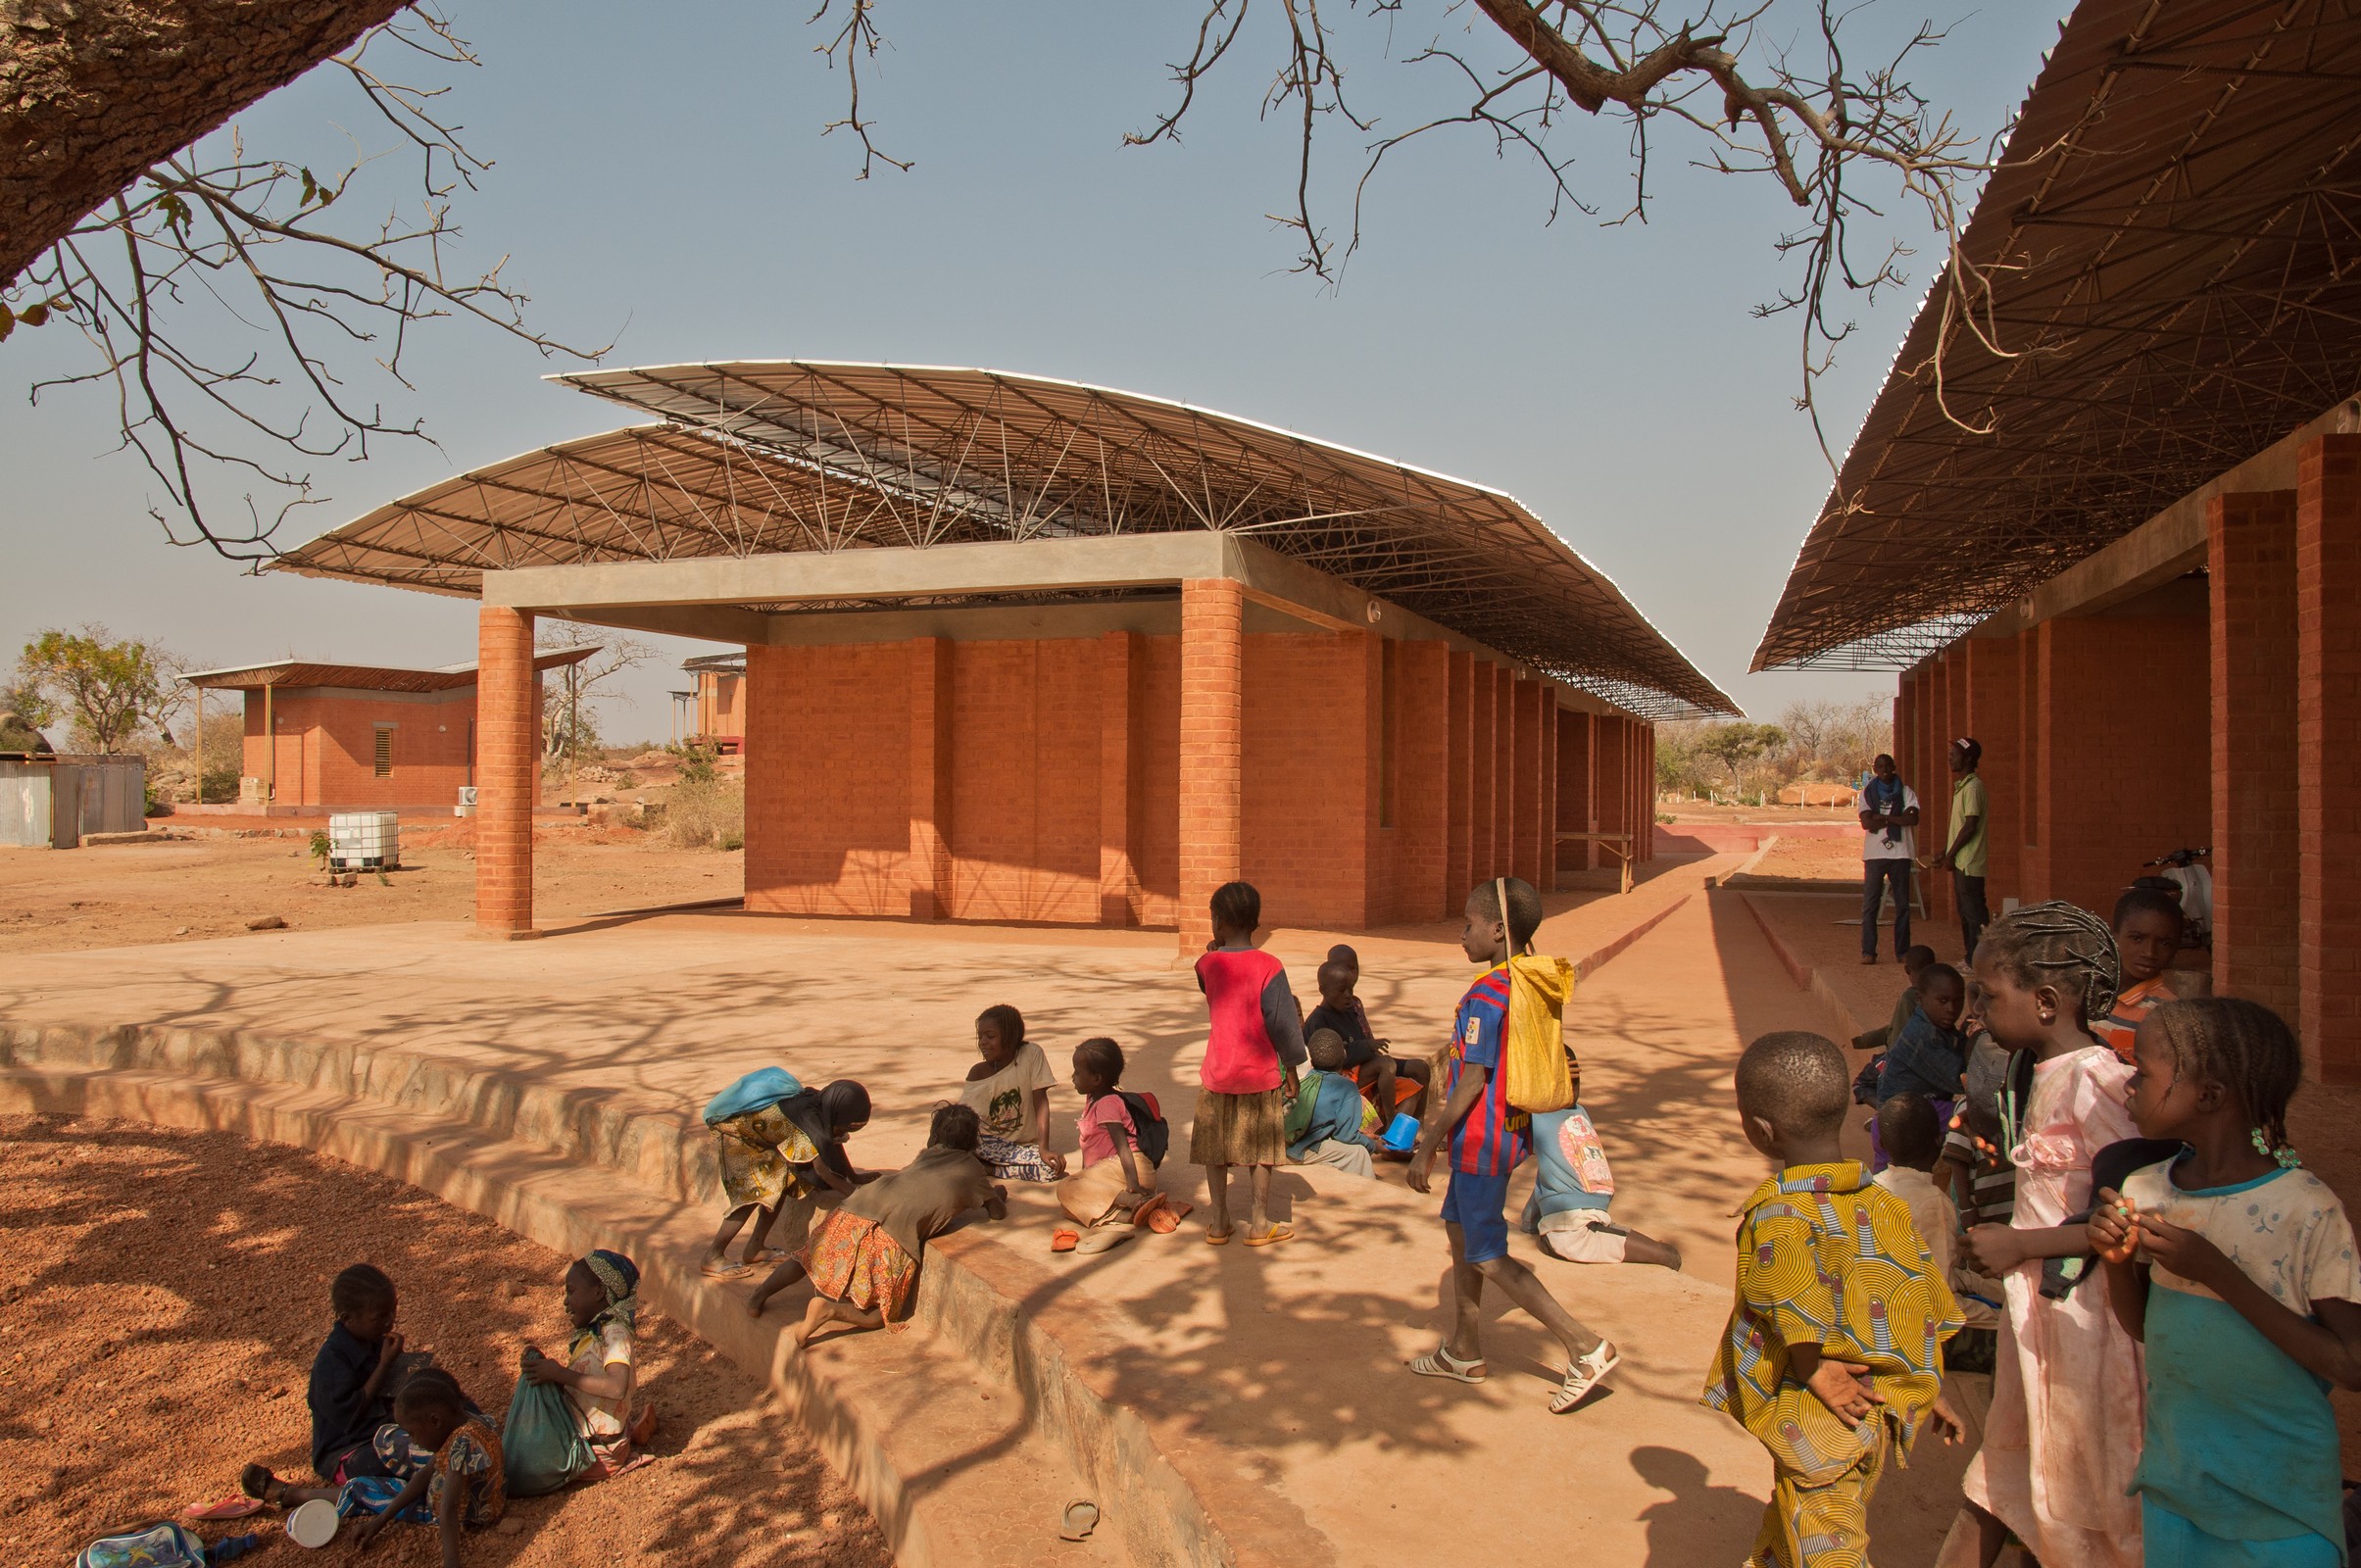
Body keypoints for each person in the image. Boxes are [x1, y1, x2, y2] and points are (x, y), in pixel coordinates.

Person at [2090, 999, 2361, 1568]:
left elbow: (2350, 1365)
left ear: (2209, 1096)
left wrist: (2218, 1273)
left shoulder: (2306, 1210)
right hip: (2178, 1491)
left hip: (2281, 1505)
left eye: (2144, 1072)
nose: (2128, 1087)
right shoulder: (2145, 1188)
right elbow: (2145, 1328)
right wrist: (2116, 1261)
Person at [1703, 1032, 1963, 1568]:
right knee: (1799, 1519)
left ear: (1761, 1131)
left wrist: (1815, 1367)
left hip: (1823, 1417)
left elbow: (1792, 1300)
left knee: (1829, 1543)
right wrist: (1924, 1380)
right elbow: (1914, 1297)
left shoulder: (1779, 1217)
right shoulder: (1883, 1205)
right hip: (1873, 1408)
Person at [1946, 902, 2143, 1568]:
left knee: (2080, 1478)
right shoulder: (2035, 1072)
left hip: (2088, 1325)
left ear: (2046, 1001)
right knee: (2013, 1462)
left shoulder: (2097, 1083)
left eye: (1988, 995)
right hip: (2037, 1320)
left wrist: (2022, 1245)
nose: (1974, 1011)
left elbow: (2133, 1215)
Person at [1406, 876, 1620, 1413]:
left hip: (1479, 1137)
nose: (1461, 935)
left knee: (1487, 1253)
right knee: (1460, 1231)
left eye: (1469, 924)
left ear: (1499, 930)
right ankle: (1464, 1349)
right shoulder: (1529, 981)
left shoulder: (1486, 994)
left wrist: (1428, 1141)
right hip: (1510, 1130)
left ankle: (1584, 1345)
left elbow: (1473, 1080)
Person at [748, 1102, 1008, 1339]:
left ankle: (759, 1294)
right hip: (893, 1236)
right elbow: (996, 1213)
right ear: (973, 1140)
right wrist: (996, 1195)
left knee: (805, 1259)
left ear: (935, 1137)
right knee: (884, 1312)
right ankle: (829, 1311)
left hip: (852, 1211)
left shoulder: (925, 1156)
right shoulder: (972, 1168)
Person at [251, 1370, 506, 1568]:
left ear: (436, 1421)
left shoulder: (460, 1444)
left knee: (362, 1490)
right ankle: (294, 1495)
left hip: (462, 1514)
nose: (414, 1441)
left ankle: (292, 1495)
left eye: (413, 1433)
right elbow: (425, 1475)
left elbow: (448, 1509)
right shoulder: (475, 1423)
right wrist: (380, 1522)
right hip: (483, 1504)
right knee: (395, 1486)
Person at [1193, 880, 1307, 1248]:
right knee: (1261, 1150)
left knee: (1215, 1149)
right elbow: (1282, 1022)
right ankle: (1259, 1222)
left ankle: (1218, 1221)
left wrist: (1216, 950)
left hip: (1218, 1073)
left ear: (1218, 922)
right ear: (1255, 922)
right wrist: (1291, 1067)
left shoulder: (1206, 964)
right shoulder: (1270, 966)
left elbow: (1208, 979)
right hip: (1260, 1074)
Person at [702, 1077, 873, 1277]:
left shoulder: (821, 1106)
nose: (842, 1133)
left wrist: (853, 1176)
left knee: (781, 1182)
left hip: (761, 1136)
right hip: (736, 1134)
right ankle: (712, 1256)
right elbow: (822, 1172)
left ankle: (755, 1248)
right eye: (842, 1128)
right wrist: (855, 1195)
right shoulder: (804, 1125)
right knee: (753, 1194)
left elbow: (832, 1141)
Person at [519, 1250, 657, 1481]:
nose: (565, 1301)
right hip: (590, 1442)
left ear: (599, 1291)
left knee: (520, 1469)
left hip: (595, 1452)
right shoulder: (597, 1332)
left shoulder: (615, 1332)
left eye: (571, 1291)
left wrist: (560, 1374)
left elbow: (616, 1387)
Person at [1874, 1092, 1996, 1334]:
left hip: (1878, 1310)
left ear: (1884, 1145)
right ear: (1938, 1140)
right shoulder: (1933, 1201)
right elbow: (1938, 1295)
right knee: (2007, 1327)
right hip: (1917, 1325)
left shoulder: (1871, 1187)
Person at [1519, 1096, 1681, 1270]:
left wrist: (1529, 1223)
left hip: (1581, 1227)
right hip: (1571, 1239)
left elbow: (1548, 1174)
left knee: (1657, 1249)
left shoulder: (1551, 1114)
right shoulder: (1574, 1115)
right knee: (1668, 1256)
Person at [1054, 1036, 1183, 1249]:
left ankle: (1133, 1201)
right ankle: (1138, 1214)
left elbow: (1123, 1146)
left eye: (1077, 1072)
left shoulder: (1107, 1104)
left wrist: (1132, 1186)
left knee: (1066, 1188)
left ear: (1096, 1079)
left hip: (1130, 1170)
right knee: (1070, 1208)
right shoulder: (1095, 1098)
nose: (1073, 1076)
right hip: (1114, 1174)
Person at [301, 1263, 405, 1485]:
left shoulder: (374, 1340)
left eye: (393, 1311)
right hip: (346, 1451)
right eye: (379, 1317)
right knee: (413, 1453)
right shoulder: (331, 1360)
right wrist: (385, 1364)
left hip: (381, 1433)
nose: (390, 1321)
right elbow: (351, 1412)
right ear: (347, 1318)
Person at [1303, 956, 1432, 1121]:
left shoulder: (1349, 1011)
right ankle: (1390, 1122)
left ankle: (1419, 1125)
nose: (1348, 995)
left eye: (1351, 990)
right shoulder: (1318, 1020)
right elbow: (1333, 1060)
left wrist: (1369, 1050)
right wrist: (1367, 1046)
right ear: (1323, 990)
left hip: (1365, 1068)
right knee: (1387, 1064)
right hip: (1342, 1076)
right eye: (1342, 991)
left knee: (1420, 1068)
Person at [959, 1004, 1063, 1182]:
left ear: (1010, 1037)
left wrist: (1043, 1148)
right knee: (962, 1143)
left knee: (1051, 1169)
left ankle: (988, 1168)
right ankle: (976, 1162)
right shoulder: (978, 1073)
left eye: (990, 1036)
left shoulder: (1031, 1054)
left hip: (1021, 1146)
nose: (983, 1042)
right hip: (985, 1142)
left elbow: (1041, 1102)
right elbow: (966, 1120)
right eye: (980, 1036)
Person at [2092, 888, 2188, 1062]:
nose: (2150, 953)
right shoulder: (2083, 990)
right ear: (2113, 937)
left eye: (2165, 943)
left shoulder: (2166, 1014)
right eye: (2137, 938)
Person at [1286, 1030, 1383, 1179]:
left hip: (1285, 1143)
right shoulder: (1346, 1087)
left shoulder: (1307, 1079)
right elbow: (1346, 1136)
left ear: (1311, 1060)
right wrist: (1373, 1145)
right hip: (1297, 1150)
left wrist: (1364, 1136)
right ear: (1344, 1055)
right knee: (1359, 1153)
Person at [1877, 963, 1969, 1110]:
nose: (1951, 1009)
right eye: (1943, 1001)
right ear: (1920, 999)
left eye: (1958, 1000)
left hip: (1916, 1107)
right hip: (1901, 1115)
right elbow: (1961, 1082)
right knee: (1972, 1114)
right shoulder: (1924, 1035)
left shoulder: (1937, 1025)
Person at [1857, 753, 1920, 964]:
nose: (1884, 770)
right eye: (1880, 766)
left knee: (1902, 905)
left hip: (1901, 854)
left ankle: (1902, 952)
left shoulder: (1905, 791)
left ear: (1894, 767)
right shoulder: (1867, 792)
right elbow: (1867, 824)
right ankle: (1868, 951)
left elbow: (1912, 818)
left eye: (1888, 766)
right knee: (1870, 906)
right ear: (1875, 769)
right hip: (1875, 856)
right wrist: (1896, 819)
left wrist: (1881, 817)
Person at [1939, 738, 1991, 960]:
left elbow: (1970, 826)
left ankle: (1979, 961)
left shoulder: (1973, 787)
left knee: (1975, 915)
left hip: (1969, 862)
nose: (1950, 757)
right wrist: (1946, 851)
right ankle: (1971, 957)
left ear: (1968, 759)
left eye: (1955, 753)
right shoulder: (1963, 788)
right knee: (1966, 913)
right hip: (1961, 860)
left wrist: (1950, 855)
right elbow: (1961, 828)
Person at [1852, 945, 1939, 1054]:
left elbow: (1898, 1036)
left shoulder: (1909, 998)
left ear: (1907, 969)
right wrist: (1862, 1041)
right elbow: (1894, 1027)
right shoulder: (1940, 994)